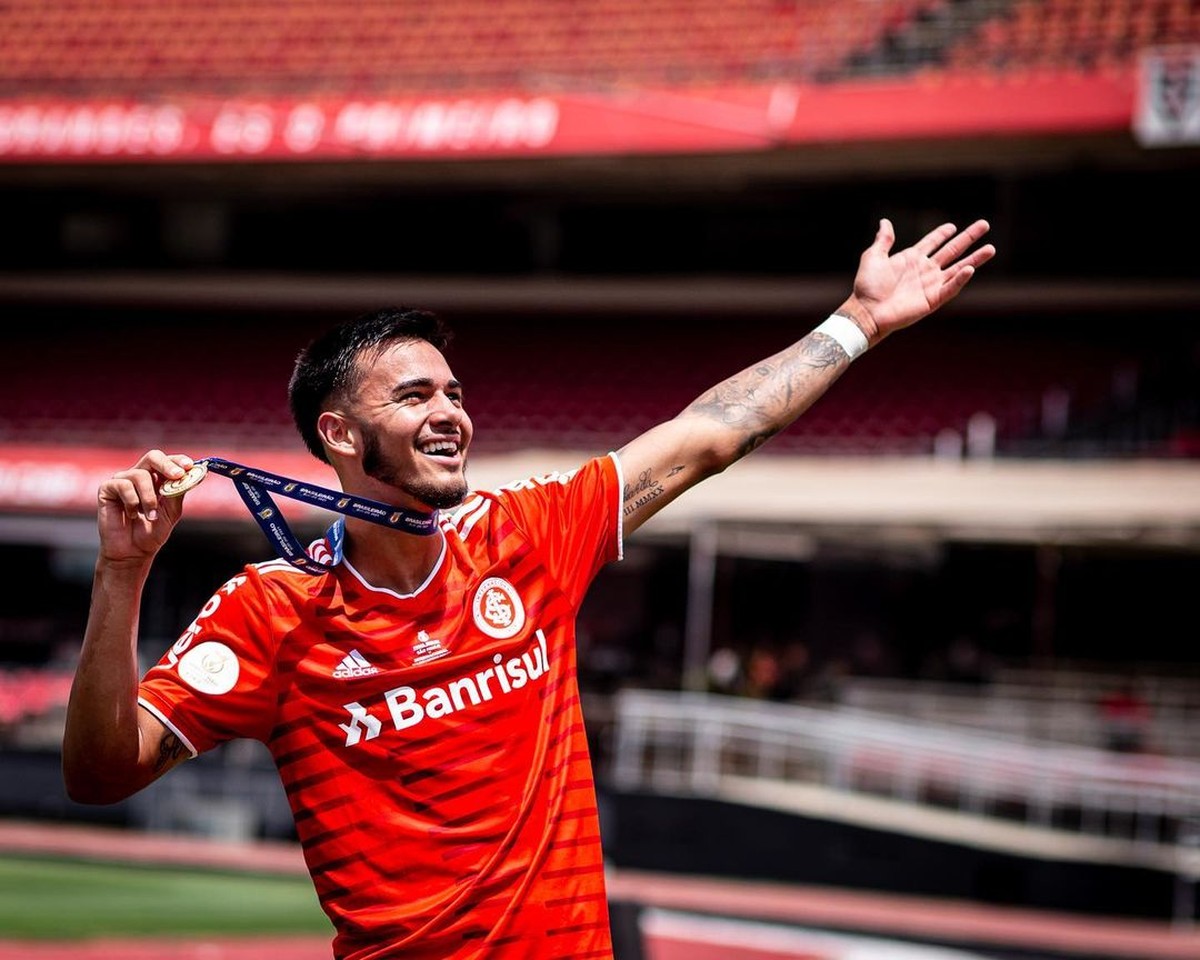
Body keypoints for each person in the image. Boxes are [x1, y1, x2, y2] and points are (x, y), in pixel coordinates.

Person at [62, 217, 995, 960]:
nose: (450, 415)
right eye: (415, 397)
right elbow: (102, 773)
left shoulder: (529, 535)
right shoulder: (270, 611)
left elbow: (707, 435)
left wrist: (857, 323)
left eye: (455, 394)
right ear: (340, 435)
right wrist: (122, 574)